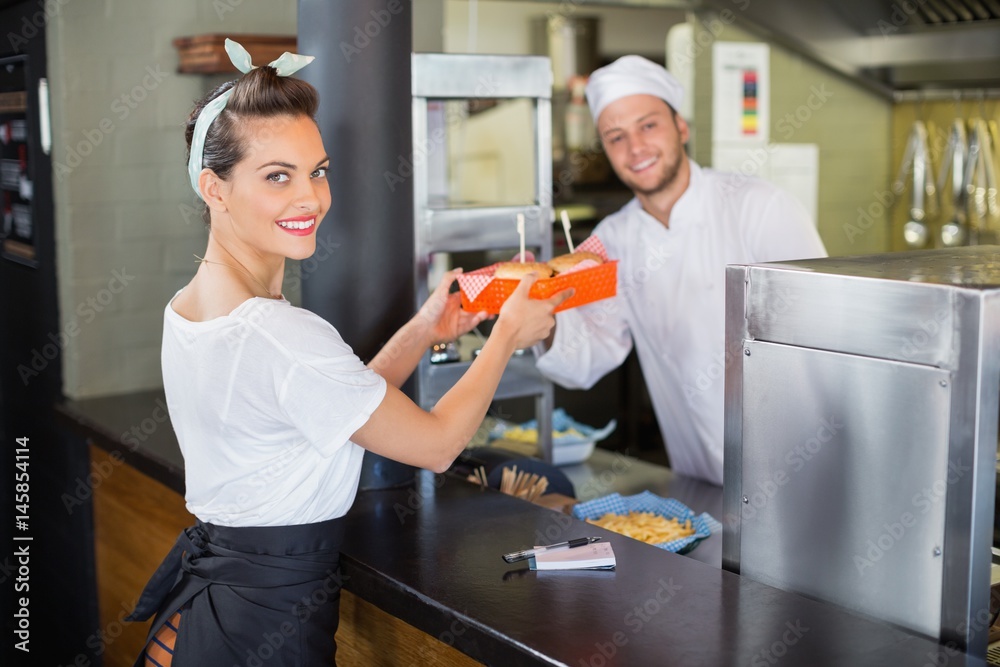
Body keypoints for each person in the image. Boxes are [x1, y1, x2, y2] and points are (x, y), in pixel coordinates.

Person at [125, 40, 571, 667]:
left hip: (201, 619)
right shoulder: (279, 334)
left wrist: (425, 327)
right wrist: (505, 335)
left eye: (318, 170)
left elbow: (334, 408)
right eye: (277, 176)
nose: (310, 198)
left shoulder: (189, 308)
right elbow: (438, 444)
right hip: (257, 637)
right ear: (214, 188)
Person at [536, 55, 826, 487]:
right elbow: (586, 359)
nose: (635, 148)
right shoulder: (610, 242)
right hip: (701, 480)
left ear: (681, 126)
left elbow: (823, 339)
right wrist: (541, 316)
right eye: (616, 137)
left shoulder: (760, 207)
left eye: (648, 125)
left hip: (803, 469)